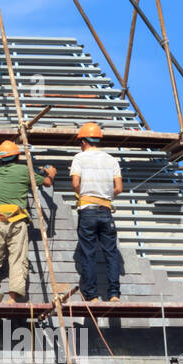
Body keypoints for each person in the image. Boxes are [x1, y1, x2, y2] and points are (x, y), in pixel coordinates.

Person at [0, 140, 55, 303]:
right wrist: (50, 173)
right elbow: (47, 183)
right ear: (18, 156)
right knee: (17, 260)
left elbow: (15, 174)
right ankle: (12, 298)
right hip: (18, 221)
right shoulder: (24, 170)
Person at [70, 122, 123, 301]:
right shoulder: (111, 159)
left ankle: (91, 295)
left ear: (84, 141)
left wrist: (85, 194)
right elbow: (119, 188)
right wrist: (106, 194)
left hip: (87, 211)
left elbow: (76, 184)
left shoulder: (79, 158)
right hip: (106, 211)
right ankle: (114, 293)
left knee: (88, 253)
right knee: (111, 253)